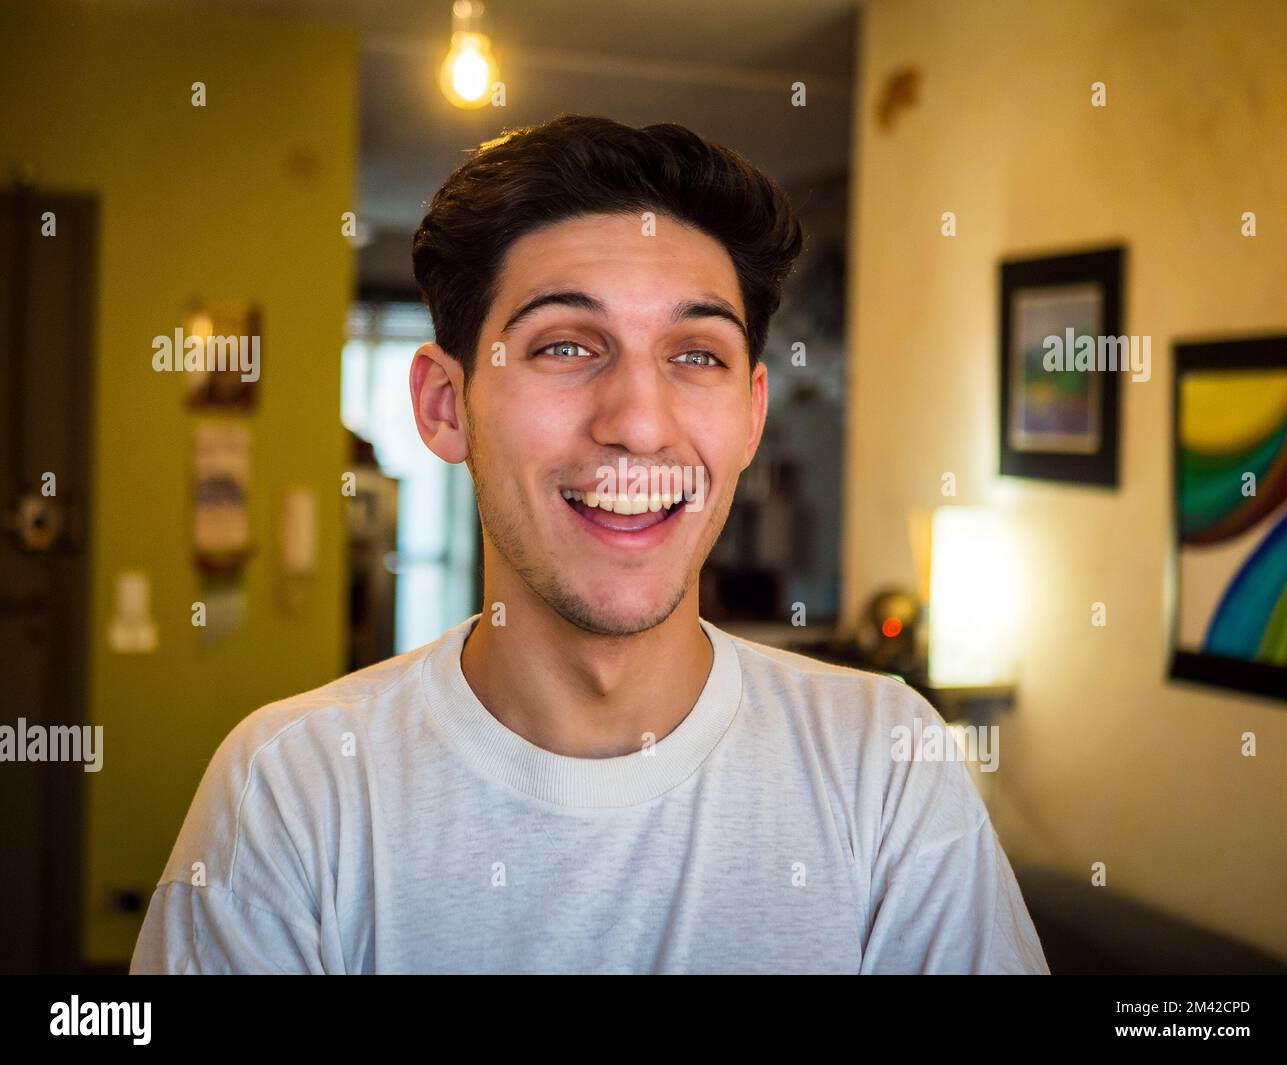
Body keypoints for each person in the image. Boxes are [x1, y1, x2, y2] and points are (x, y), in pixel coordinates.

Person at [130, 114, 1049, 974]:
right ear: (445, 406)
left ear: (752, 414)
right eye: (567, 346)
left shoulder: (885, 766)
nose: (640, 423)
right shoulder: (294, 792)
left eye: (697, 354)